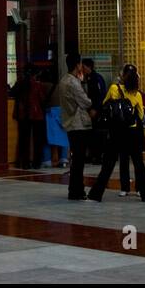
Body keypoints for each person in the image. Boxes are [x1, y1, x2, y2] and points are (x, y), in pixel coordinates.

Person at [87, 63, 145, 202]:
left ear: (122, 75)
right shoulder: (138, 94)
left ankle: (96, 194)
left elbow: (105, 105)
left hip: (116, 132)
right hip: (133, 133)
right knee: (139, 164)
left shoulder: (113, 88)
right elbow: (141, 115)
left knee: (108, 164)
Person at [54, 54, 93, 200]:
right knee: (79, 160)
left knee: (76, 159)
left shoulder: (63, 81)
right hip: (79, 125)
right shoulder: (74, 83)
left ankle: (74, 189)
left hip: (69, 123)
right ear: (77, 65)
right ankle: (77, 190)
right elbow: (86, 102)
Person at [11, 66, 48, 170]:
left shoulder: (19, 83)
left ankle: (24, 163)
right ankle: (37, 163)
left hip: (23, 115)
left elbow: (11, 93)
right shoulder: (38, 85)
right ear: (35, 74)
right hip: (36, 114)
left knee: (23, 140)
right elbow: (42, 99)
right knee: (37, 140)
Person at [82, 58, 108, 165]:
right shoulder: (87, 79)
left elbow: (100, 95)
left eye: (83, 67)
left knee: (97, 134)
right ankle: (92, 155)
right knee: (91, 134)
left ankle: (98, 156)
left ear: (89, 67)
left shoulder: (96, 78)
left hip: (97, 111)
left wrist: (95, 109)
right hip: (90, 110)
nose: (82, 69)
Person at [43, 66, 68, 167]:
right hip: (62, 111)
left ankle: (47, 160)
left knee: (48, 137)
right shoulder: (61, 86)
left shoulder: (44, 85)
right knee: (63, 136)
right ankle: (64, 159)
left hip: (50, 112)